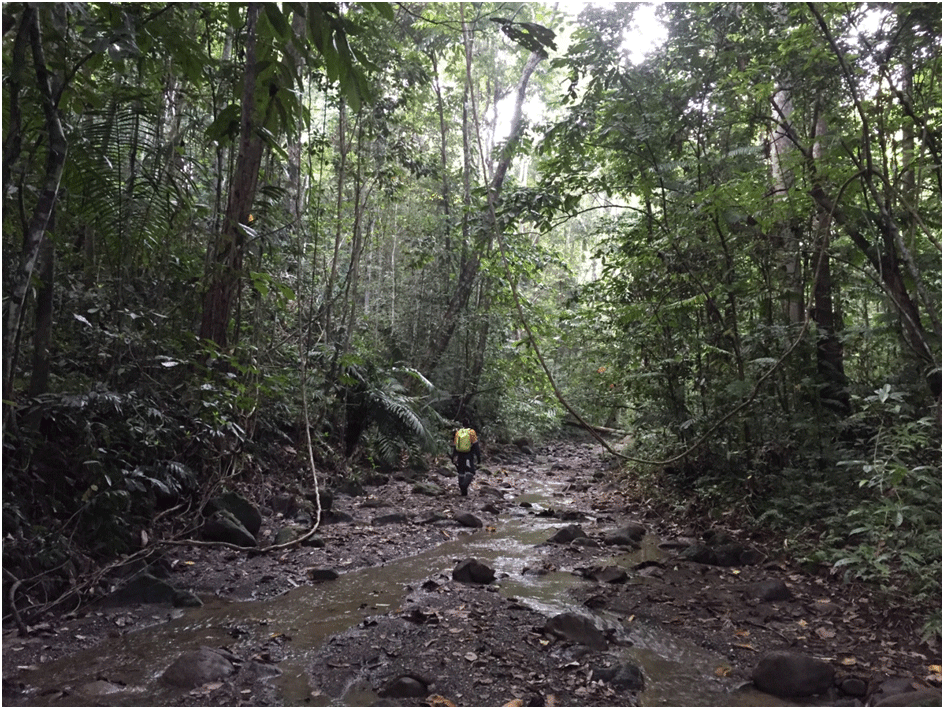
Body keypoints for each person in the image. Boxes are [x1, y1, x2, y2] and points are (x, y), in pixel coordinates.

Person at [449, 423, 481, 496]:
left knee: (461, 472)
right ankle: (464, 486)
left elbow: (455, 446)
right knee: (470, 471)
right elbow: (476, 445)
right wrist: (478, 457)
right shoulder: (471, 432)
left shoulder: (458, 432)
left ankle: (463, 492)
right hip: (469, 455)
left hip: (460, 455)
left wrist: (453, 457)